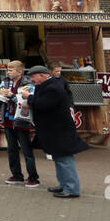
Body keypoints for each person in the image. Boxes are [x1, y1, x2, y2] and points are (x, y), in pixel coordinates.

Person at [27, 65, 86, 198]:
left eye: (33, 76)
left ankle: (71, 189)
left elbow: (43, 104)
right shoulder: (47, 86)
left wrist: (29, 98)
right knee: (59, 158)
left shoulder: (53, 88)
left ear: (42, 75)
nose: (32, 79)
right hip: (54, 129)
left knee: (65, 159)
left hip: (60, 129)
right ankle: (64, 185)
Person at [0, 60, 40, 187]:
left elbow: (28, 101)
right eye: (7, 70)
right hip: (8, 120)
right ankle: (17, 175)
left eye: (11, 70)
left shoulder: (28, 84)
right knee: (12, 150)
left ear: (20, 72)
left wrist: (12, 96)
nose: (8, 72)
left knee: (26, 151)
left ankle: (33, 177)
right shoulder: (5, 82)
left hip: (22, 120)